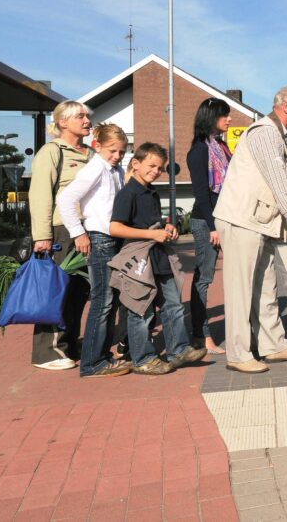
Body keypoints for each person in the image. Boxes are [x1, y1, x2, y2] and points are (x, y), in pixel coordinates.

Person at [213, 84, 287, 374]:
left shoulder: (276, 135)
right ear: (285, 106)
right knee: (241, 289)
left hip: (259, 220)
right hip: (242, 219)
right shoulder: (264, 133)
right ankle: (238, 353)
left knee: (265, 286)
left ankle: (274, 346)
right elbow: (277, 179)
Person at [109, 143, 207, 375]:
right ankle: (143, 359)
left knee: (173, 304)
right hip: (139, 261)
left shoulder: (150, 191)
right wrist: (152, 234)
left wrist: (166, 226)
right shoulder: (128, 193)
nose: (155, 171)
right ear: (136, 164)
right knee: (141, 310)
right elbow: (115, 228)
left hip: (159, 257)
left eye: (160, 168)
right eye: (151, 165)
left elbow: (150, 223)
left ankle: (178, 350)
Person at [56, 123, 130, 378]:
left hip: (112, 239)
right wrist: (79, 232)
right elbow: (65, 199)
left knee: (110, 301)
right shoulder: (96, 168)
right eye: (113, 150)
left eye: (121, 151)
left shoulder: (115, 169)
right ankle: (92, 362)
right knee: (103, 300)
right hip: (99, 239)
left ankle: (101, 356)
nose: (117, 156)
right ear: (98, 146)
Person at [27, 100, 94, 371]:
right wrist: (41, 236)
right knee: (56, 290)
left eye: (88, 116)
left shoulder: (90, 153)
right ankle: (47, 352)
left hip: (86, 230)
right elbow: (41, 194)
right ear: (63, 122)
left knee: (79, 292)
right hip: (62, 231)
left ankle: (68, 344)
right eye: (80, 116)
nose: (87, 120)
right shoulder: (52, 151)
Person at [186, 97, 232, 355]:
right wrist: (213, 226)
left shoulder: (222, 147)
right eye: (224, 115)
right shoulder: (199, 150)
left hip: (224, 218)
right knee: (204, 278)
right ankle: (200, 335)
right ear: (211, 117)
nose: (229, 119)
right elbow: (202, 193)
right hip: (206, 221)